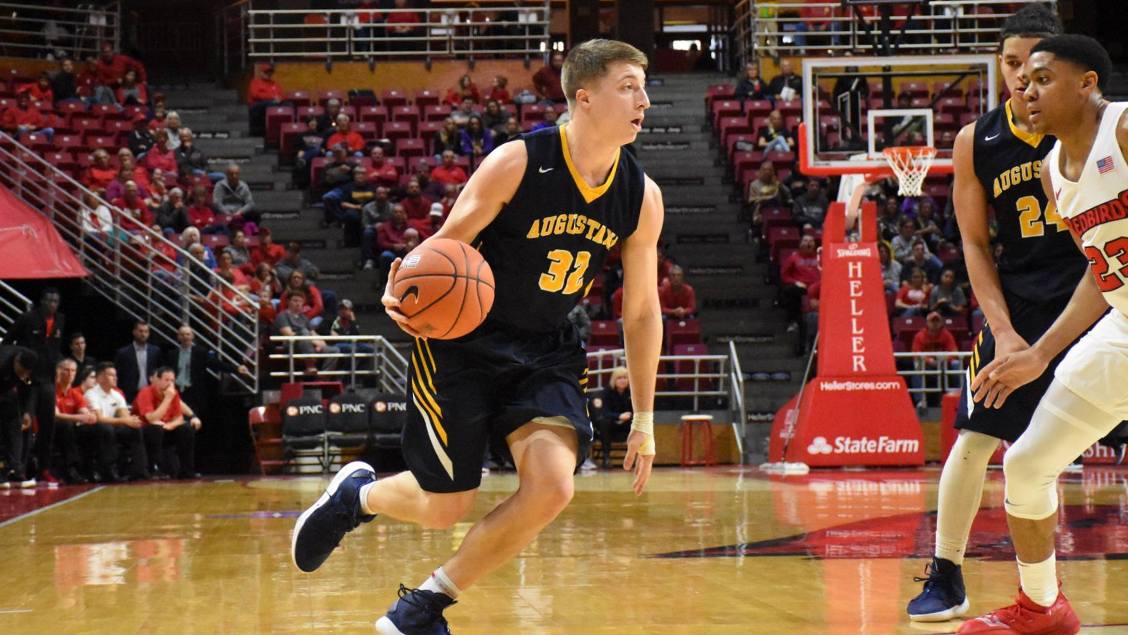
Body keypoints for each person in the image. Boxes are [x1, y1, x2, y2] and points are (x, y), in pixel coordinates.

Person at [292, 39, 661, 634]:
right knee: (445, 507)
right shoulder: (518, 161)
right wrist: (404, 288)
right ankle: (354, 498)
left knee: (552, 487)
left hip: (546, 349)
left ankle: (423, 607)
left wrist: (643, 418)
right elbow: (445, 247)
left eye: (644, 88)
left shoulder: (641, 196)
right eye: (628, 87)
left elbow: (642, 312)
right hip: (465, 341)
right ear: (583, 98)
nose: (644, 100)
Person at [904, 15, 1085, 621]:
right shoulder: (976, 140)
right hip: (1023, 305)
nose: (1021, 78)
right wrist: (1003, 329)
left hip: (1103, 296)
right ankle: (947, 573)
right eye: (1011, 64)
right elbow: (975, 245)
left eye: (1035, 66)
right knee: (977, 434)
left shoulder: (1095, 124)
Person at [956, 34, 1121, 635]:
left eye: (1044, 77)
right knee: (1025, 464)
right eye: (1023, 78)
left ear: (1088, 84)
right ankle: (1042, 606)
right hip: (1122, 332)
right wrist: (1040, 353)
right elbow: (1102, 275)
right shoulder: (1053, 171)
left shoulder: (1125, 129)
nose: (1027, 87)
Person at [83, 362, 147, 481]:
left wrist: (131, 421)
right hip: (92, 429)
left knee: (134, 429)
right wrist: (124, 420)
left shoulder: (116, 395)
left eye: (115, 375)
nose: (115, 378)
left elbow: (125, 415)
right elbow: (99, 418)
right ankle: (109, 471)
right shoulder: (91, 394)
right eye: (111, 375)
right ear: (101, 378)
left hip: (112, 426)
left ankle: (139, 470)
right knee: (106, 428)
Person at [133, 367, 201, 479]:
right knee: (156, 429)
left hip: (165, 428)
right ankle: (154, 469)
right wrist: (167, 399)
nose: (170, 383)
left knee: (186, 429)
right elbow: (151, 418)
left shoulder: (173, 393)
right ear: (158, 380)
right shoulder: (146, 392)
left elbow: (179, 417)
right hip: (146, 430)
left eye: (172, 380)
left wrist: (169, 426)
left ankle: (186, 470)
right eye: (166, 380)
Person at [272, 290, 338, 375]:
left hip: (308, 343)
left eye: (300, 301)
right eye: (295, 300)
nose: (298, 303)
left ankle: (324, 377)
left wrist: (321, 343)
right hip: (292, 345)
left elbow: (313, 333)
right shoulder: (282, 316)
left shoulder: (304, 318)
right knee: (303, 332)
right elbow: (288, 334)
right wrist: (313, 341)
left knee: (334, 350)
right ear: (288, 302)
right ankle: (310, 366)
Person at [0, 346, 39, 486]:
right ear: (16, 362)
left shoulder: (33, 363)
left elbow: (32, 388)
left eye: (26, 373)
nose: (23, 376)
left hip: (9, 391)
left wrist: (28, 411)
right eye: (21, 372)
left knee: (15, 426)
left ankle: (16, 469)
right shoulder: (2, 361)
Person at [113, 320, 162, 404]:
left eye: (146, 331)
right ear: (134, 332)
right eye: (140, 331)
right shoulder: (123, 353)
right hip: (129, 394)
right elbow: (118, 374)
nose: (143, 334)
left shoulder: (155, 351)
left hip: (150, 392)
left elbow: (159, 372)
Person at [780, 235, 819, 335]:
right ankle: (794, 321)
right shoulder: (793, 257)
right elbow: (784, 275)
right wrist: (795, 282)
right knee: (789, 290)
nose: (808, 243)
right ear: (800, 243)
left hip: (818, 287)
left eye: (811, 241)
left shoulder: (820, 257)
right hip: (802, 287)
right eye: (805, 241)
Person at [594, 367, 632, 468]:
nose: (623, 380)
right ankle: (606, 458)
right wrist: (619, 416)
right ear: (614, 380)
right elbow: (604, 412)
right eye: (619, 378)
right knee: (603, 422)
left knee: (638, 422)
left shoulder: (631, 393)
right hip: (611, 426)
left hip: (626, 426)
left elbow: (635, 412)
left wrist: (628, 416)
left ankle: (635, 458)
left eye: (625, 377)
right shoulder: (606, 392)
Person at [213, 163, 258, 228]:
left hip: (240, 212)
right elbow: (217, 203)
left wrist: (239, 212)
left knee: (255, 213)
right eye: (231, 174)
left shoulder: (244, 186)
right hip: (224, 212)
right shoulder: (219, 185)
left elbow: (250, 203)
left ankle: (252, 234)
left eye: (236, 173)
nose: (234, 176)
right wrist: (228, 214)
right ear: (227, 175)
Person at [247, 63, 283, 137]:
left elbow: (281, 95)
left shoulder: (274, 84)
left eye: (270, 72)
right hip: (257, 105)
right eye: (266, 72)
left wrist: (279, 99)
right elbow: (255, 95)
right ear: (261, 73)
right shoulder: (255, 82)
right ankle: (258, 131)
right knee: (271, 103)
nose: (268, 74)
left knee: (288, 105)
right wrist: (272, 97)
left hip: (273, 103)